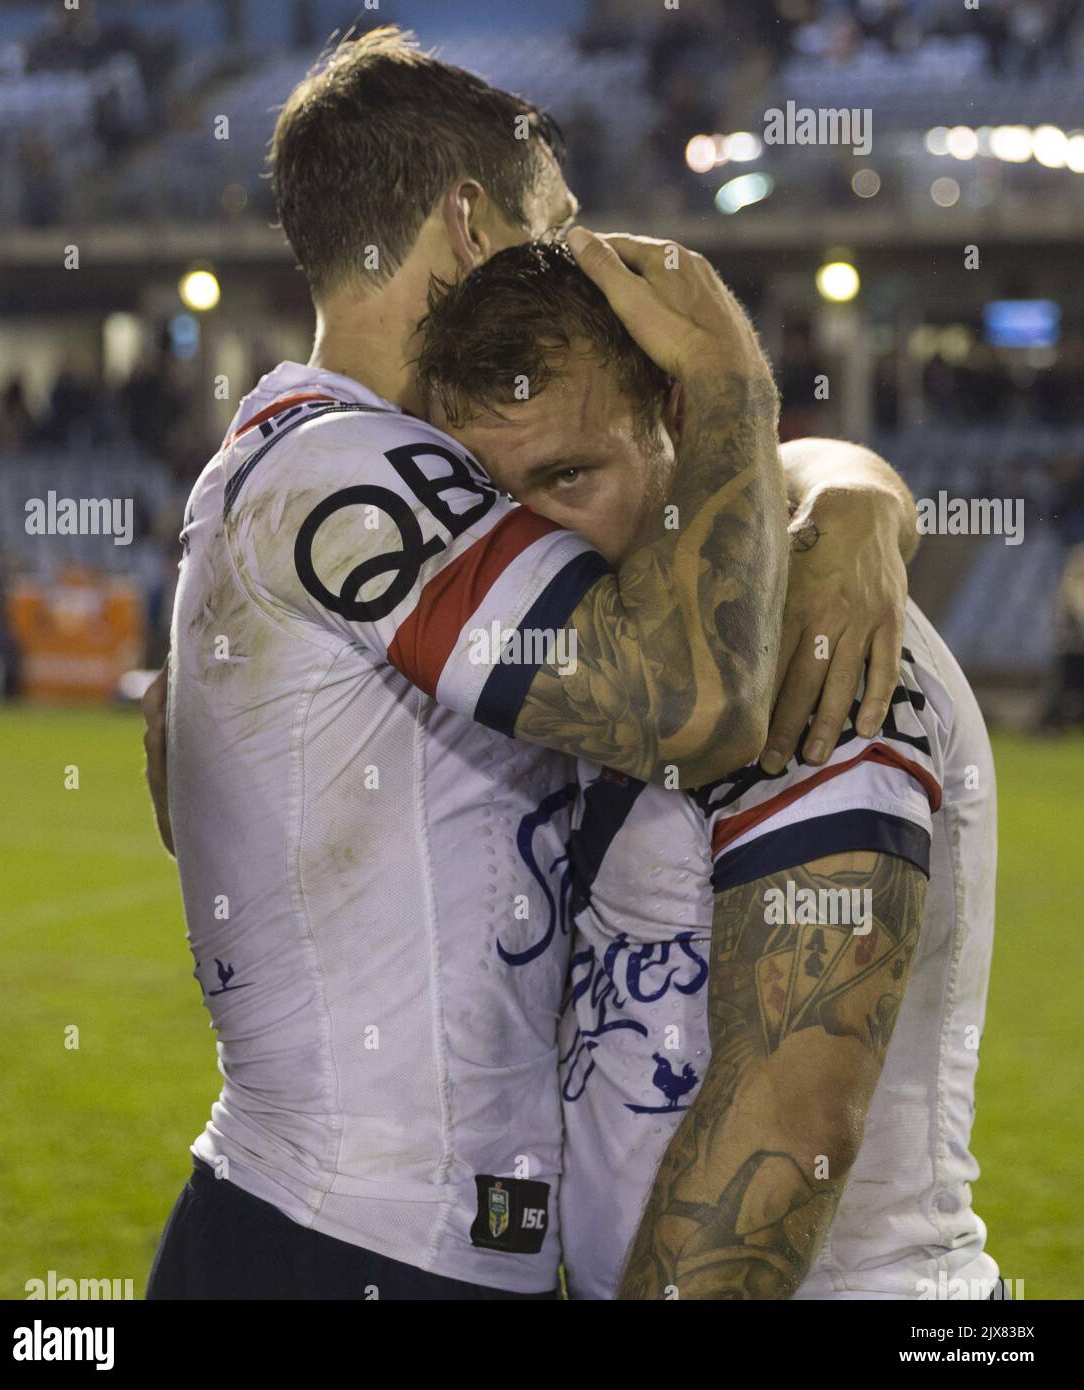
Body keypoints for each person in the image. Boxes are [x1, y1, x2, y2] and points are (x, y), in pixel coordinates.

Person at [141, 28, 912, 1300]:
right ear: (464, 218)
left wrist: (850, 490)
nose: (573, 269)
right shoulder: (346, 471)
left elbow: (648, 535)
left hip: (359, 1235)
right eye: (551, 228)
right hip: (347, 1247)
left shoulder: (315, 462)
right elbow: (691, 702)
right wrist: (724, 376)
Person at [417, 240, 997, 1301]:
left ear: (677, 425)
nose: (529, 534)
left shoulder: (811, 653)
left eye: (568, 476)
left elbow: (794, 1114)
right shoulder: (617, 663)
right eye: (495, 499)